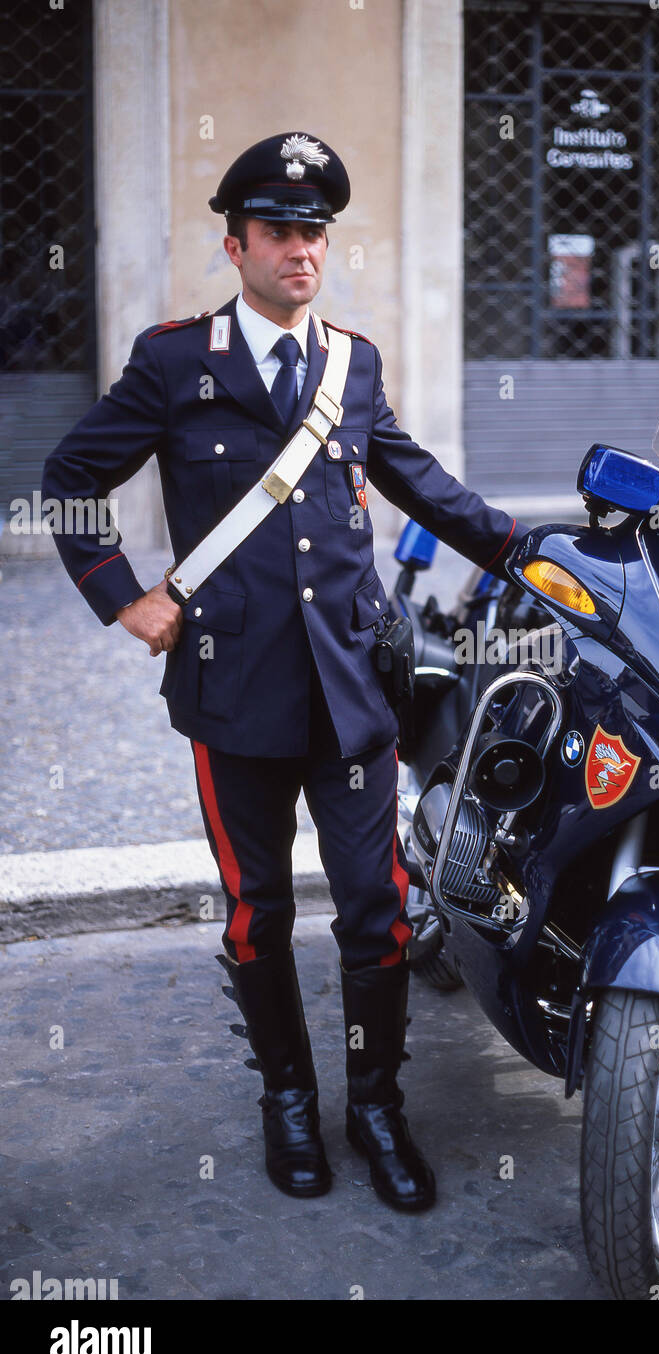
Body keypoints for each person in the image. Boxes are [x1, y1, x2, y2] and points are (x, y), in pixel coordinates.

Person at [42, 132, 526, 1213]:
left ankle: (374, 1106)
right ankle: (288, 1102)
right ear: (236, 245)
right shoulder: (176, 361)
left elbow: (413, 479)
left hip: (349, 697)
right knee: (257, 913)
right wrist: (126, 596)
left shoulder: (351, 364)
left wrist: (523, 550)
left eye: (314, 232)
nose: (301, 249)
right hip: (232, 696)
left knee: (378, 910)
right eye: (278, 232)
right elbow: (70, 474)